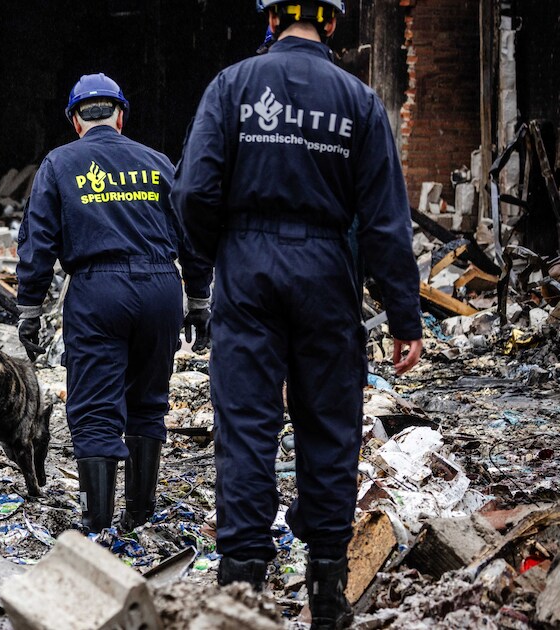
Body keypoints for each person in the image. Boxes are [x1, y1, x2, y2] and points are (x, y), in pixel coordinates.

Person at [171, 1, 423, 627]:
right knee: (330, 430)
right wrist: (403, 315)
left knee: (248, 428)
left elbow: (194, 190)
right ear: (332, 23)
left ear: (270, 19)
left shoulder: (231, 86)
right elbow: (388, 220)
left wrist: (214, 255)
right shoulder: (359, 101)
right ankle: (328, 594)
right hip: (326, 275)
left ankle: (240, 593)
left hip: (248, 269)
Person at [16, 73, 212, 533]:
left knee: (95, 407)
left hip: (98, 293)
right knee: (148, 403)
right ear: (120, 116)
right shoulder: (159, 163)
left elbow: (37, 242)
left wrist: (29, 309)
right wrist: (200, 300)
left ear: (75, 121)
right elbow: (193, 235)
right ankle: (140, 516)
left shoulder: (60, 164)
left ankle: (96, 520)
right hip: (162, 288)